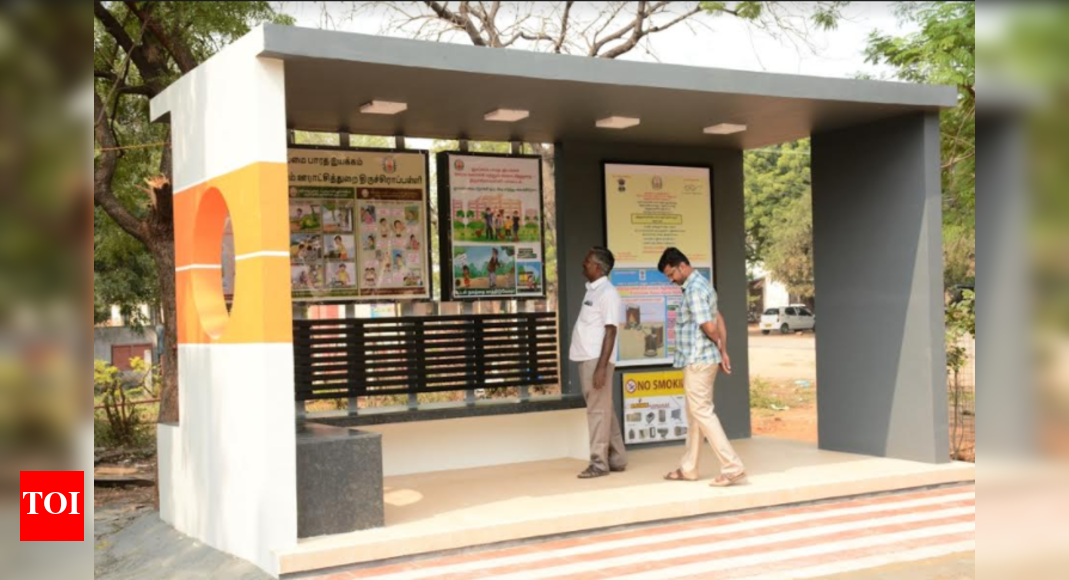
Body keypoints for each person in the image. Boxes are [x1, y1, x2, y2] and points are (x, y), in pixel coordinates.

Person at [658, 247, 744, 487]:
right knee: (695, 414)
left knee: (702, 412)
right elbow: (719, 318)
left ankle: (732, 466)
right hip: (703, 359)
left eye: (671, 274)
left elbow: (709, 325)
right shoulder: (703, 285)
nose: (671, 279)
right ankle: (689, 468)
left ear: (682, 266)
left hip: (698, 360)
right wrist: (722, 350)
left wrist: (719, 347)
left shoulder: (694, 290)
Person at [569, 246, 627, 478]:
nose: (584, 263)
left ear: (599, 267)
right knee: (603, 410)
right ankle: (617, 458)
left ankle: (599, 464)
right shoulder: (593, 290)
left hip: (596, 361)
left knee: (597, 412)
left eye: (588, 260)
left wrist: (601, 367)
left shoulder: (608, 294)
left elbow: (611, 331)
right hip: (587, 358)